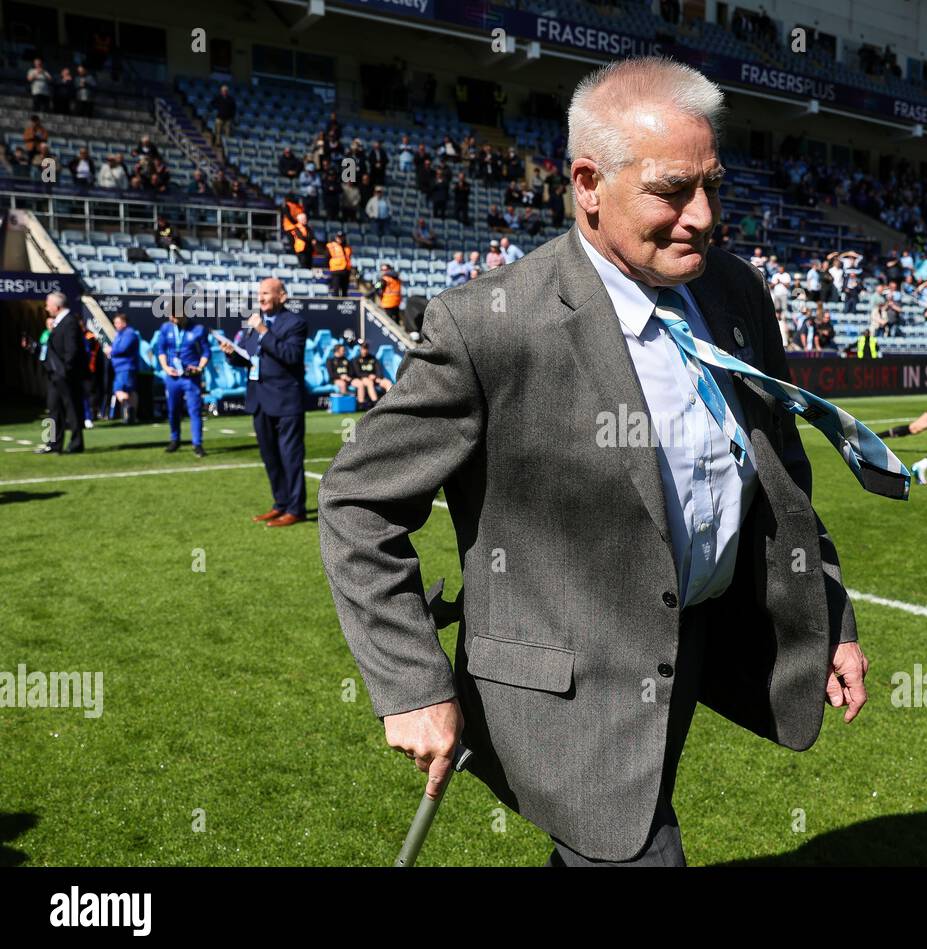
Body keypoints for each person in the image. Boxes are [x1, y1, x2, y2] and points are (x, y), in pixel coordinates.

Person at [317, 56, 884, 868]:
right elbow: (358, 504)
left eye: (713, 186)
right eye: (672, 191)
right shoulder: (490, 327)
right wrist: (412, 687)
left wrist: (829, 618)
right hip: (565, 691)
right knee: (636, 853)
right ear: (588, 182)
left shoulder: (735, 295)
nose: (703, 215)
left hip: (693, 649)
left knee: (616, 837)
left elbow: (779, 478)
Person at [219, 278, 309, 527]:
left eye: (266, 293)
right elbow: (250, 359)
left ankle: (296, 508)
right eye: (259, 293)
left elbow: (290, 356)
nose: (260, 298)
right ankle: (280, 504)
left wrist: (263, 332)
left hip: (286, 400)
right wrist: (232, 355)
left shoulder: (295, 323)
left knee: (290, 457)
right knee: (270, 456)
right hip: (259, 400)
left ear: (282, 296)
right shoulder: (254, 323)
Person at [34, 293, 85, 455]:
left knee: (71, 409)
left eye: (48, 304)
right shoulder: (58, 323)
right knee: (53, 408)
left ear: (57, 306)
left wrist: (66, 370)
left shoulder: (70, 322)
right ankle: (53, 443)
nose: (46, 308)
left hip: (65, 375)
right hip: (55, 374)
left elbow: (72, 350)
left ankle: (76, 443)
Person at [157, 312, 210, 456]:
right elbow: (161, 350)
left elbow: (206, 352)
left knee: (195, 410)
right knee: (173, 410)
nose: (171, 319)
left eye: (174, 316)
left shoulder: (198, 329)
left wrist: (199, 367)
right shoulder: (166, 328)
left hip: (190, 377)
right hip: (173, 377)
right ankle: (175, 439)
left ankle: (197, 444)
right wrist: (166, 368)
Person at [109, 313, 140, 424]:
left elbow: (122, 348)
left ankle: (129, 410)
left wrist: (110, 350)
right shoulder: (120, 334)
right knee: (129, 391)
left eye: (117, 322)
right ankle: (130, 414)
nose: (115, 325)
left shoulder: (129, 334)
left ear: (124, 322)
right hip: (120, 367)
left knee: (120, 390)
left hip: (125, 367)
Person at [349, 341, 390, 409]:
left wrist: (377, 377)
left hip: (375, 378)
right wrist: (368, 376)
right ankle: (376, 404)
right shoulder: (356, 360)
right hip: (363, 379)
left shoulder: (373, 358)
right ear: (360, 349)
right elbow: (358, 373)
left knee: (387, 382)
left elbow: (378, 370)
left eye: (366, 349)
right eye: (363, 349)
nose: (364, 351)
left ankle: (391, 403)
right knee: (369, 382)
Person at [326, 231, 352, 297]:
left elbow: (348, 257)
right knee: (336, 290)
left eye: (342, 237)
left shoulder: (347, 247)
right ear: (336, 237)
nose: (341, 239)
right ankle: (335, 305)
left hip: (346, 270)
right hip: (336, 271)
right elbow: (327, 256)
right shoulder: (331, 245)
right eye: (339, 237)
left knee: (345, 291)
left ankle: (343, 306)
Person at [210, 85, 237, 149]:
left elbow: (234, 108)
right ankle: (218, 143)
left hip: (228, 119)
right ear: (221, 91)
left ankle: (225, 145)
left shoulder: (231, 99)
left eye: (226, 91)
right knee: (218, 131)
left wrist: (232, 116)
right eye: (223, 91)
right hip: (219, 117)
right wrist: (218, 107)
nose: (225, 92)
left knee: (227, 133)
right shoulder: (218, 97)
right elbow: (212, 103)